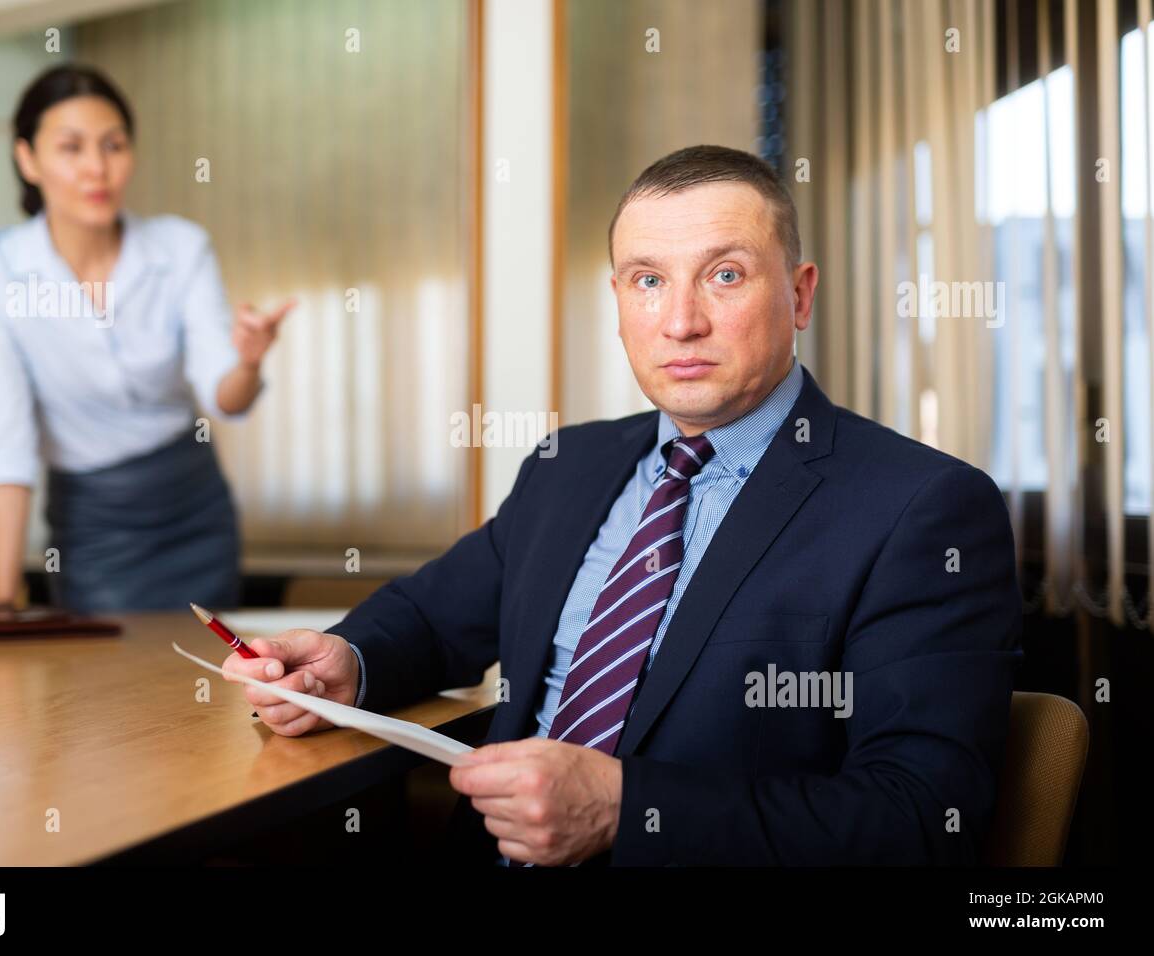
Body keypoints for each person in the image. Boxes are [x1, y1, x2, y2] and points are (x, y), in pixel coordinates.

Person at [222, 145, 1022, 866]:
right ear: (617, 300)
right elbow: (434, 619)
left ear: (800, 294)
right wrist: (347, 662)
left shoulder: (924, 509)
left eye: (726, 274)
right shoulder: (569, 464)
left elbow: (924, 816)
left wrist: (626, 811)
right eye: (649, 281)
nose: (681, 321)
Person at [0, 65, 290, 612]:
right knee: (104, 690)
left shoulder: (181, 248)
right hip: (95, 521)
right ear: (27, 160)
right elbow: (3, 441)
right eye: (72, 147)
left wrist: (248, 364)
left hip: (193, 504)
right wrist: (2, 589)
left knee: (206, 681)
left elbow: (224, 397)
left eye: (113, 145)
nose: (97, 168)